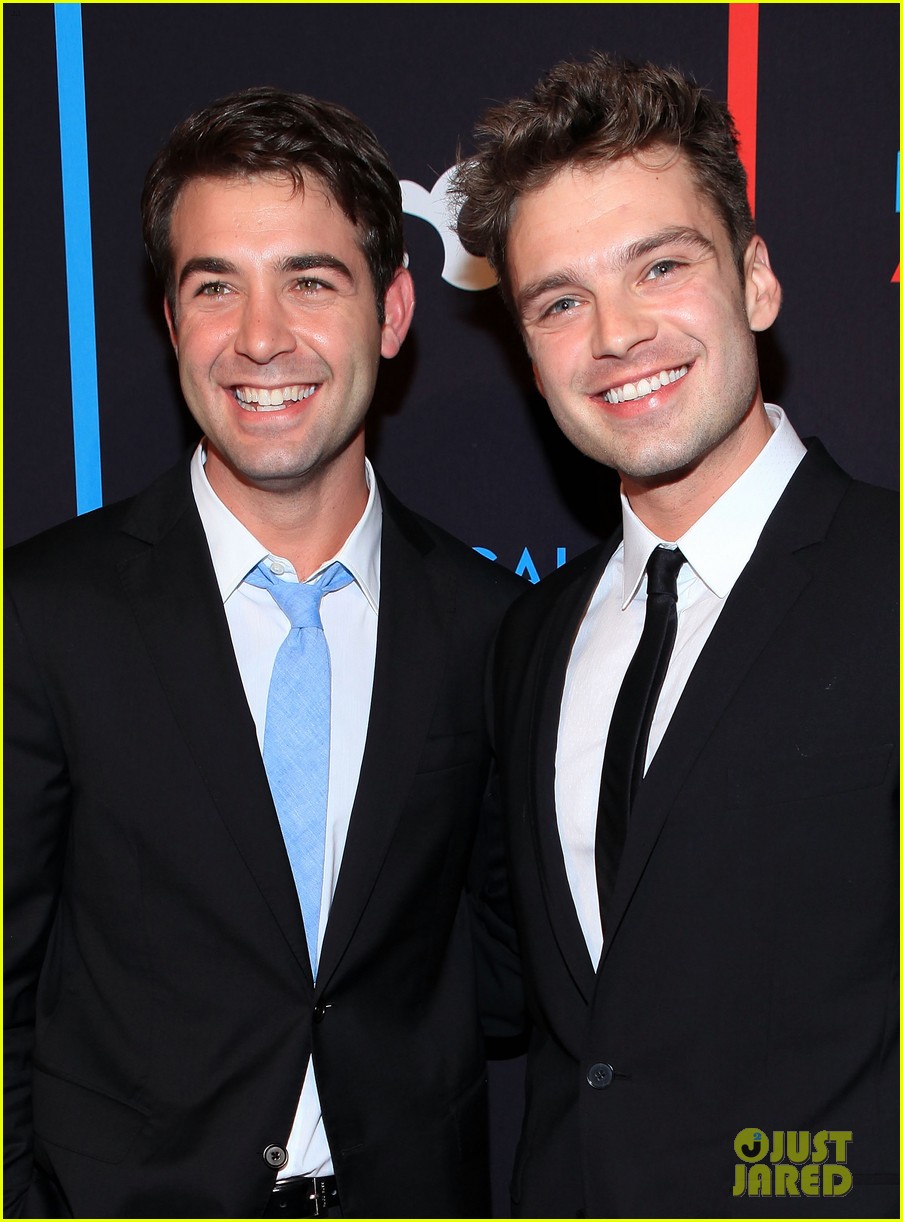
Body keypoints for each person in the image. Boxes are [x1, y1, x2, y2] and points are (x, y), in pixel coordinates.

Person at [4, 86, 522, 1219]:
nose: (260, 337)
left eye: (309, 280)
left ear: (392, 311)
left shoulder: (489, 625)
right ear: (171, 320)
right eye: (215, 286)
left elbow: (501, 980)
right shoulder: (39, 614)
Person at [455, 52, 898, 1218]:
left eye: (661, 265)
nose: (617, 333)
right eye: (560, 300)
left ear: (756, 281)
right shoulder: (532, 640)